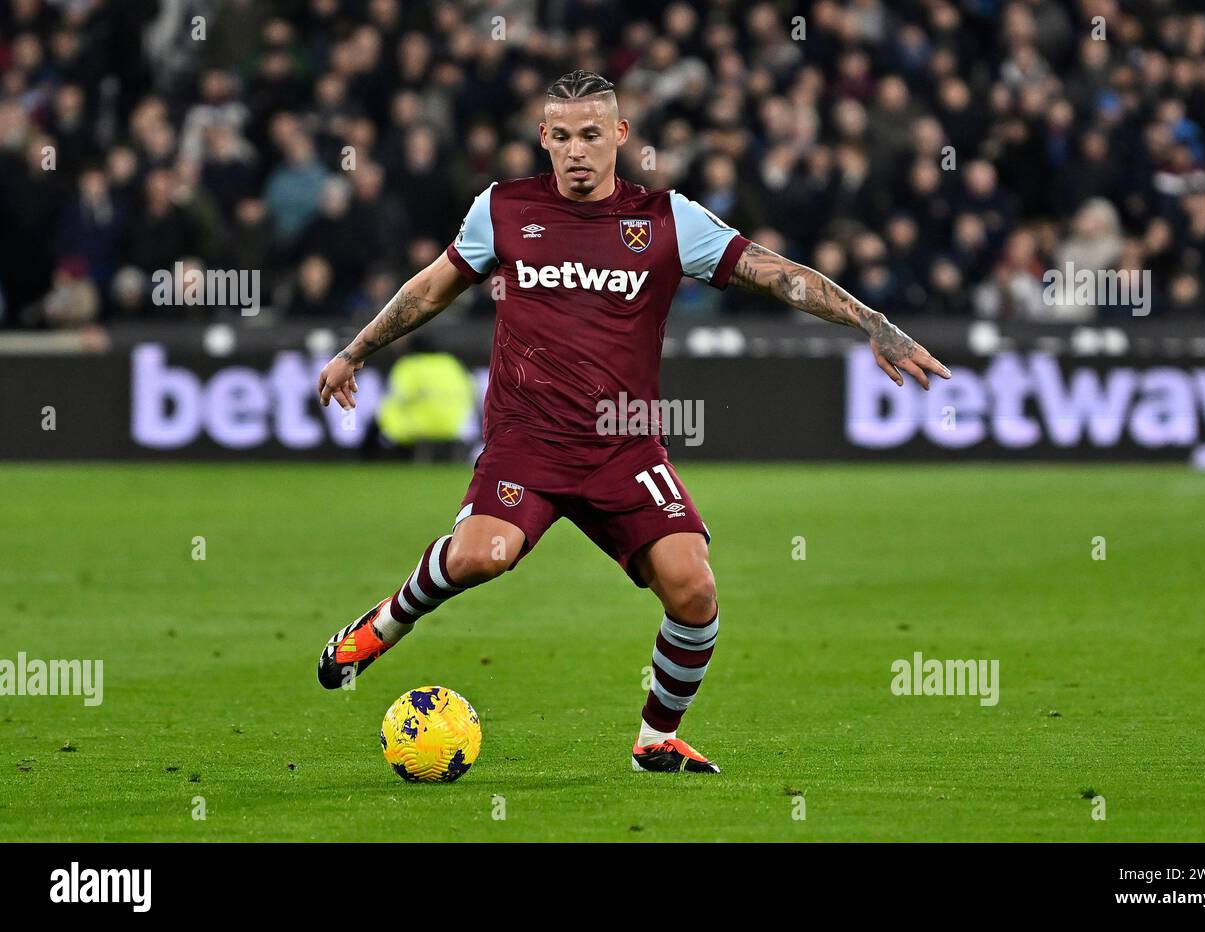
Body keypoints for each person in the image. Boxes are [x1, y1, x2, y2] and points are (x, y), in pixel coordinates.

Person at [314, 70, 949, 774]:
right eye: (562, 136)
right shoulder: (502, 208)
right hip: (529, 438)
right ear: (543, 138)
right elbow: (432, 288)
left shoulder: (669, 221)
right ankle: (382, 626)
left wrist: (871, 321)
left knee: (695, 591)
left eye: (591, 135)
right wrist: (354, 351)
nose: (576, 151)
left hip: (625, 446)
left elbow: (774, 272)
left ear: (620, 134)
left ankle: (655, 739)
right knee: (480, 556)